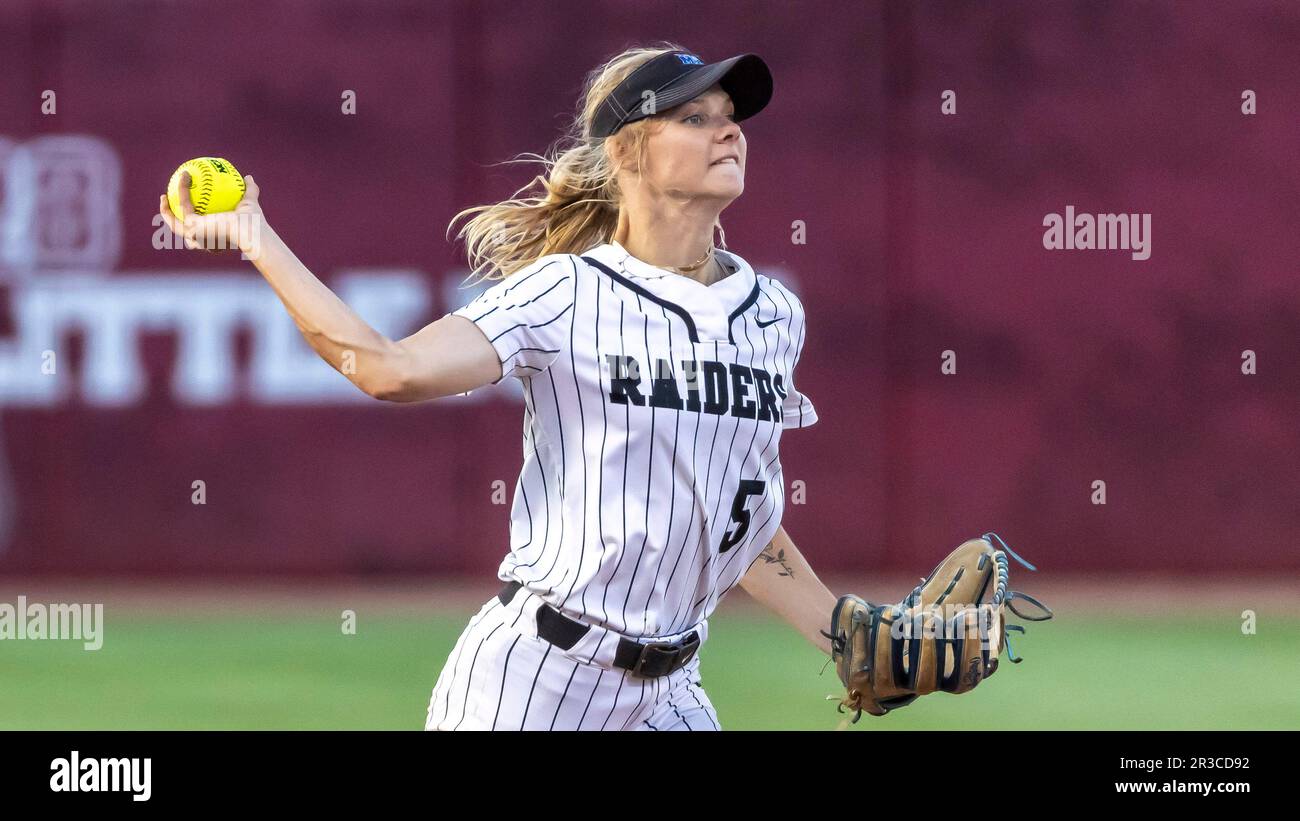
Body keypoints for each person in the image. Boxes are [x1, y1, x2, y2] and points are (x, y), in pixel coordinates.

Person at [158, 42, 840, 731]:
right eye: (694, 118)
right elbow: (390, 370)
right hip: (537, 681)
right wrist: (257, 237)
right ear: (628, 153)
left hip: (672, 691)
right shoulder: (563, 293)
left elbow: (739, 517)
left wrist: (842, 636)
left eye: (730, 116)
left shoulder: (773, 315)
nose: (729, 131)